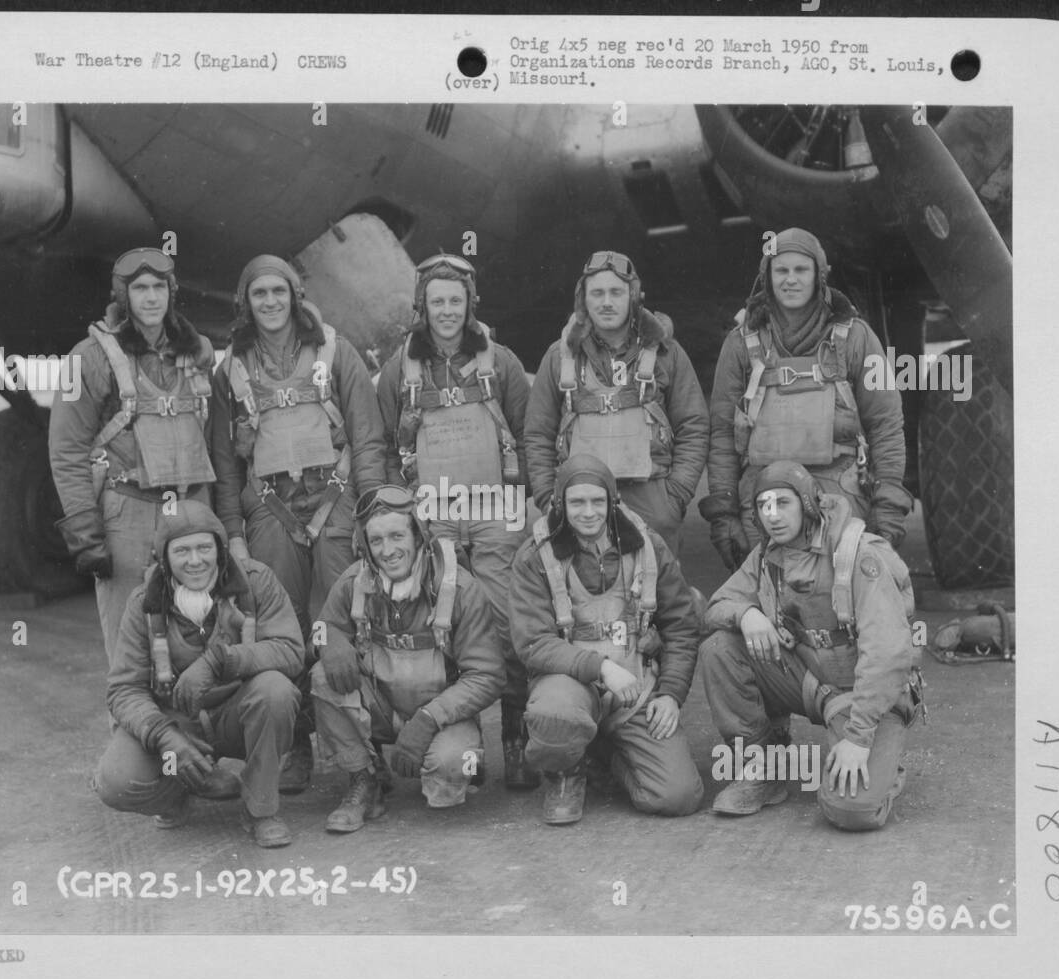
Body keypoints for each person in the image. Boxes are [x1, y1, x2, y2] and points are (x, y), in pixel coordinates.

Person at [212, 255, 387, 794]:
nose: (270, 302)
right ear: (247, 302)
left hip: (336, 503)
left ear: (295, 295)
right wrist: (235, 534)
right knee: (281, 631)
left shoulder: (336, 352)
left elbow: (367, 437)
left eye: (278, 292)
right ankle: (296, 750)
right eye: (258, 293)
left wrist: (372, 513)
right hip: (269, 509)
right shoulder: (232, 369)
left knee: (349, 623)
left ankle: (366, 752)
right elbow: (224, 462)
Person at [375, 254, 538, 789]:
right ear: (422, 306)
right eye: (437, 301)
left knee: (508, 626)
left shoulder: (503, 362)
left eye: (456, 300)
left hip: (496, 511)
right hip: (432, 515)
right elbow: (381, 444)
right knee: (442, 625)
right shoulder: (399, 370)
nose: (447, 311)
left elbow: (528, 433)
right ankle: (460, 744)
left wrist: (533, 504)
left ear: (470, 305)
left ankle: (516, 738)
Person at [698, 461, 922, 830]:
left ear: (807, 504)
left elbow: (887, 652)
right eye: (763, 505)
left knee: (852, 811)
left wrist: (859, 737)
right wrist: (746, 615)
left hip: (863, 695)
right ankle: (764, 767)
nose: (773, 515)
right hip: (810, 680)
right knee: (721, 648)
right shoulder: (767, 554)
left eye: (783, 503)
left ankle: (883, 771)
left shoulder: (857, 554)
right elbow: (715, 608)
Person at [49, 246, 237, 664]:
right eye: (139, 289)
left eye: (159, 288)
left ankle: (186, 730)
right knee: (129, 650)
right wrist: (84, 526)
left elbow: (213, 443)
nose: (151, 298)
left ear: (171, 294)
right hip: (128, 509)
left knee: (197, 642)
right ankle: (130, 731)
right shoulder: (90, 357)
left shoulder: (195, 357)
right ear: (123, 296)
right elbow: (67, 449)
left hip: (190, 509)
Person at [93, 500, 305, 847]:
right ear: (164, 558)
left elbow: (290, 650)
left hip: (237, 714)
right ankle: (177, 790)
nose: (195, 561)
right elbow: (123, 689)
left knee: (276, 691)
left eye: (205, 548)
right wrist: (163, 735)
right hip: (178, 722)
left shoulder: (255, 581)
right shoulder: (142, 602)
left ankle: (260, 809)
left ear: (220, 550)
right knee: (116, 781)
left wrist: (218, 661)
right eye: (182, 551)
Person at [508, 454, 706, 825]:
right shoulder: (535, 556)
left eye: (598, 501)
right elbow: (533, 642)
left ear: (613, 501)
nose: (588, 512)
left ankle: (605, 755)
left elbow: (680, 624)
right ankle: (564, 773)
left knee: (678, 796)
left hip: (636, 686)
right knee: (554, 714)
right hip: (568, 684)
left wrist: (671, 694)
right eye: (576, 502)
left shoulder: (648, 547)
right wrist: (600, 668)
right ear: (559, 504)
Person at [699, 227, 911, 571]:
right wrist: (724, 512)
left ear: (820, 276)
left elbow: (886, 425)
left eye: (802, 270)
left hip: (838, 489)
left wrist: (887, 505)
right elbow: (723, 434)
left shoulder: (855, 338)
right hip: (763, 492)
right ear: (767, 277)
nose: (791, 280)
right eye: (781, 270)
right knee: (769, 602)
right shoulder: (741, 344)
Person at [310, 484, 506, 833]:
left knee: (453, 768)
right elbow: (321, 628)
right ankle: (364, 779)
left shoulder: (460, 589)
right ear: (365, 546)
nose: (388, 551)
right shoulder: (355, 581)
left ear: (419, 536)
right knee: (322, 677)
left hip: (442, 714)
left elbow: (488, 676)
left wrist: (428, 720)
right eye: (377, 541)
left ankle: (470, 762)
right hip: (382, 706)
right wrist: (329, 642)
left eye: (397, 536)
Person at [523, 250, 709, 548]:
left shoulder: (666, 354)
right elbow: (538, 434)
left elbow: (694, 425)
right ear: (583, 299)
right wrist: (549, 500)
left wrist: (674, 497)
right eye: (597, 293)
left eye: (616, 292)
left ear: (633, 297)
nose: (606, 302)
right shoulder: (558, 357)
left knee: (656, 591)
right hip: (579, 500)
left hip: (652, 498)